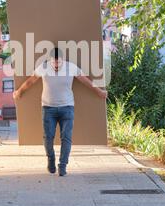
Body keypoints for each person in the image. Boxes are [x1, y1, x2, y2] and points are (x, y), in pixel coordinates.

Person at [13, 47, 107, 176]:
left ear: (63, 60)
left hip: (67, 108)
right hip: (48, 108)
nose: (56, 65)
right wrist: (19, 92)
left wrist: (100, 92)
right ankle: (51, 159)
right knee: (48, 137)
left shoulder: (71, 67)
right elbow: (30, 81)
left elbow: (87, 82)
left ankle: (63, 165)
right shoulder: (44, 67)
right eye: (54, 62)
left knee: (66, 138)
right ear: (50, 61)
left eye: (59, 62)